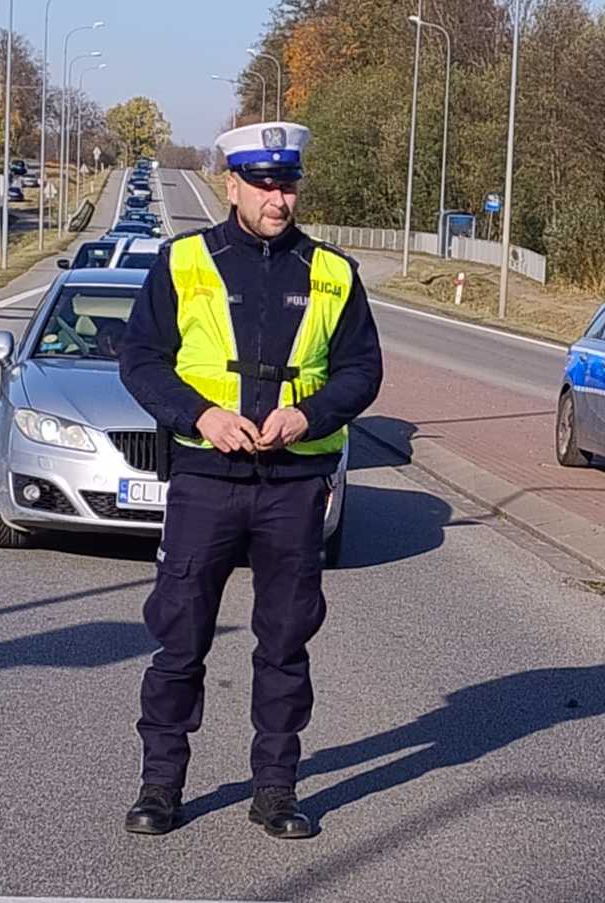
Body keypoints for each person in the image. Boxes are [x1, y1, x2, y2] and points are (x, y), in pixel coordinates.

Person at [118, 122, 383, 838]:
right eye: (263, 183)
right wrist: (200, 415)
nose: (278, 197)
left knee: (285, 643)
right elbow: (140, 359)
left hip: (293, 483)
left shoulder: (332, 273)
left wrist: (310, 413)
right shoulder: (183, 262)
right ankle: (160, 785)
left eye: (288, 183)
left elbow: (364, 370)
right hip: (208, 475)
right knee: (179, 638)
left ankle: (276, 790)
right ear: (229, 184)